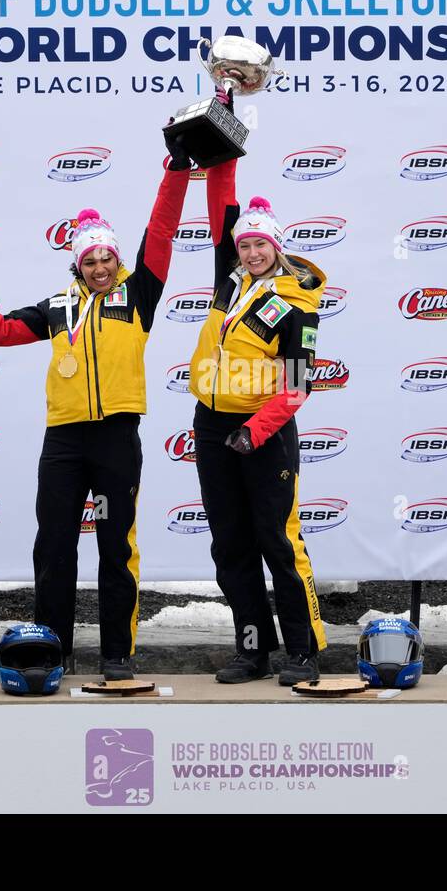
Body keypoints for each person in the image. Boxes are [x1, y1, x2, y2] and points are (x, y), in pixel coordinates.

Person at [0, 141, 191, 681]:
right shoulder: (56, 308)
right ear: (77, 263)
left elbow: (159, 233)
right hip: (64, 443)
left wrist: (177, 170)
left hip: (115, 438)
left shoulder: (139, 295)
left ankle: (117, 653)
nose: (98, 268)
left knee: (116, 548)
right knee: (55, 549)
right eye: (89, 260)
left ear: (118, 261)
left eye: (106, 258)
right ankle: (52, 653)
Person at [189, 155, 328, 686]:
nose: (250, 253)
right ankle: (252, 649)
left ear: (277, 247)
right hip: (212, 427)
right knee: (230, 545)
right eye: (244, 245)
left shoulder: (297, 307)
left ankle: (303, 650)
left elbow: (298, 385)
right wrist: (220, 143)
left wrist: (256, 429)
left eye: (259, 245)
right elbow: (221, 210)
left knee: (277, 540)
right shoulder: (229, 283)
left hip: (264, 435)